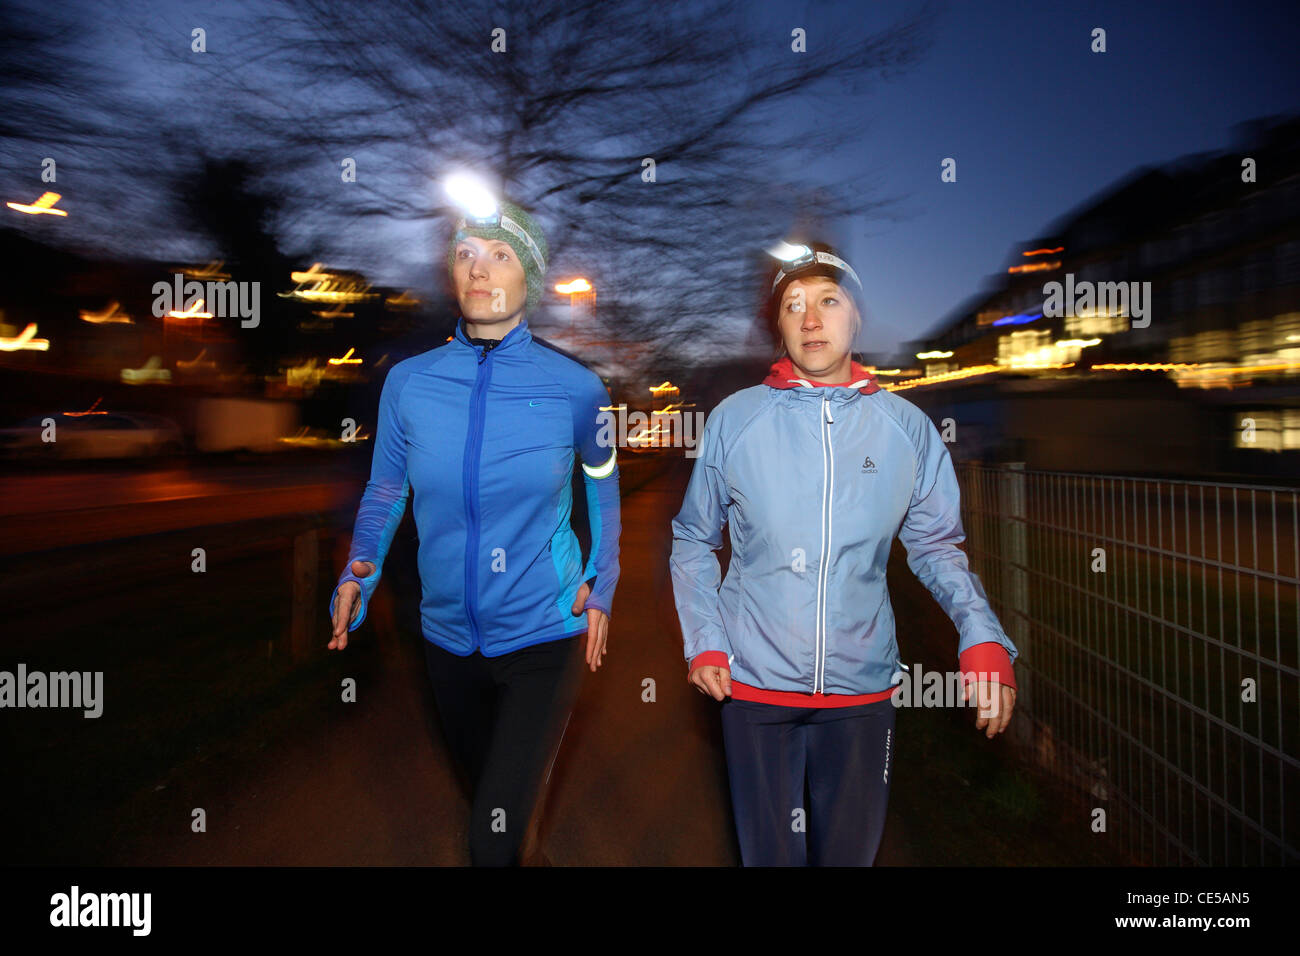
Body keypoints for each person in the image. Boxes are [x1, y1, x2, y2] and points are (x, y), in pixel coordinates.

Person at [669, 239, 1017, 866]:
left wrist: (981, 635)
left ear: (856, 317)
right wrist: (706, 641)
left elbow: (936, 545)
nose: (810, 319)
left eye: (828, 301)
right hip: (752, 688)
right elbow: (694, 538)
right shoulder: (735, 420)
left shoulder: (907, 429)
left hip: (861, 695)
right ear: (779, 328)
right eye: (792, 305)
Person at [327, 192, 621, 866]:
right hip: (446, 639)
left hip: (545, 632)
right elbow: (386, 488)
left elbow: (603, 486)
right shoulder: (409, 384)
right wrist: (360, 569)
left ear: (530, 279)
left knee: (490, 839)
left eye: (499, 254)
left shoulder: (578, 389)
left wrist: (603, 578)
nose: (478, 269)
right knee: (490, 805)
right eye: (465, 254)